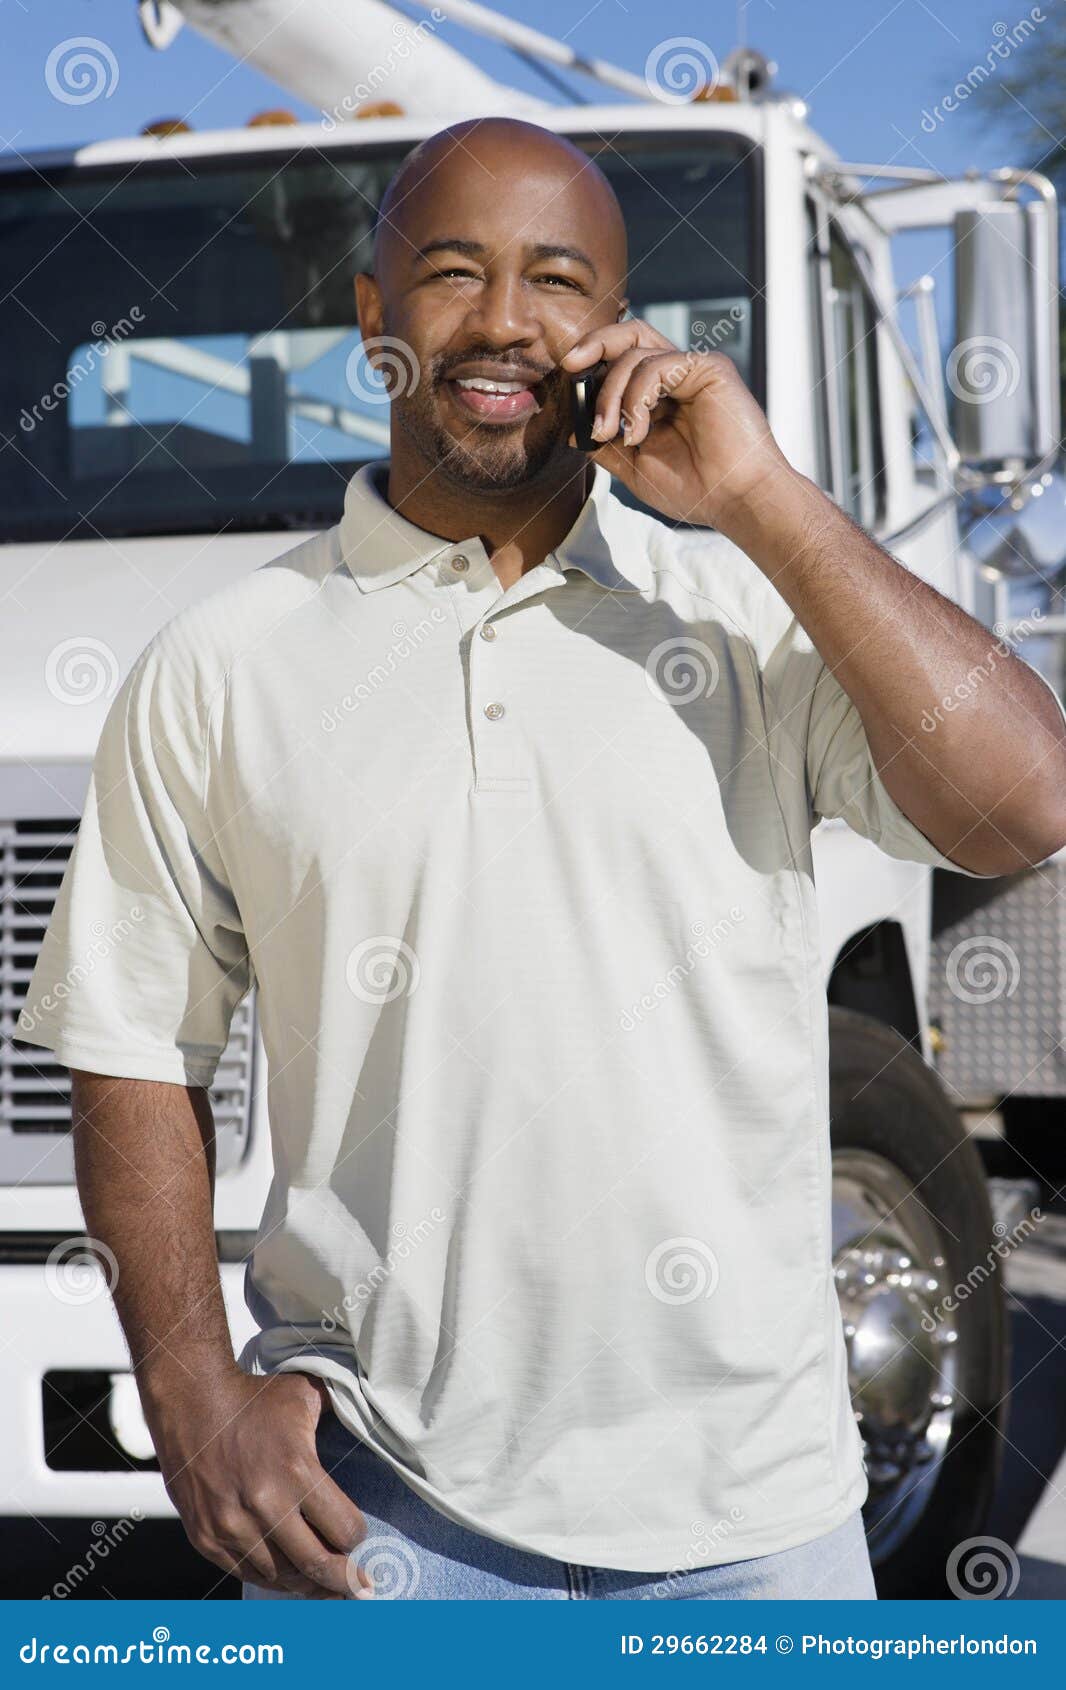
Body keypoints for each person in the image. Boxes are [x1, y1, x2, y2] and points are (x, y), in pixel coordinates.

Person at [18, 118, 1066, 1602]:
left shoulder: (745, 614)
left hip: (758, 1525)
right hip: (371, 1515)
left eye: (556, 279)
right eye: (451, 272)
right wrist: (188, 1387)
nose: (505, 319)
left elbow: (1023, 804)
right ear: (373, 318)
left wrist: (764, 499)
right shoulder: (221, 664)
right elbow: (130, 1048)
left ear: (619, 322)